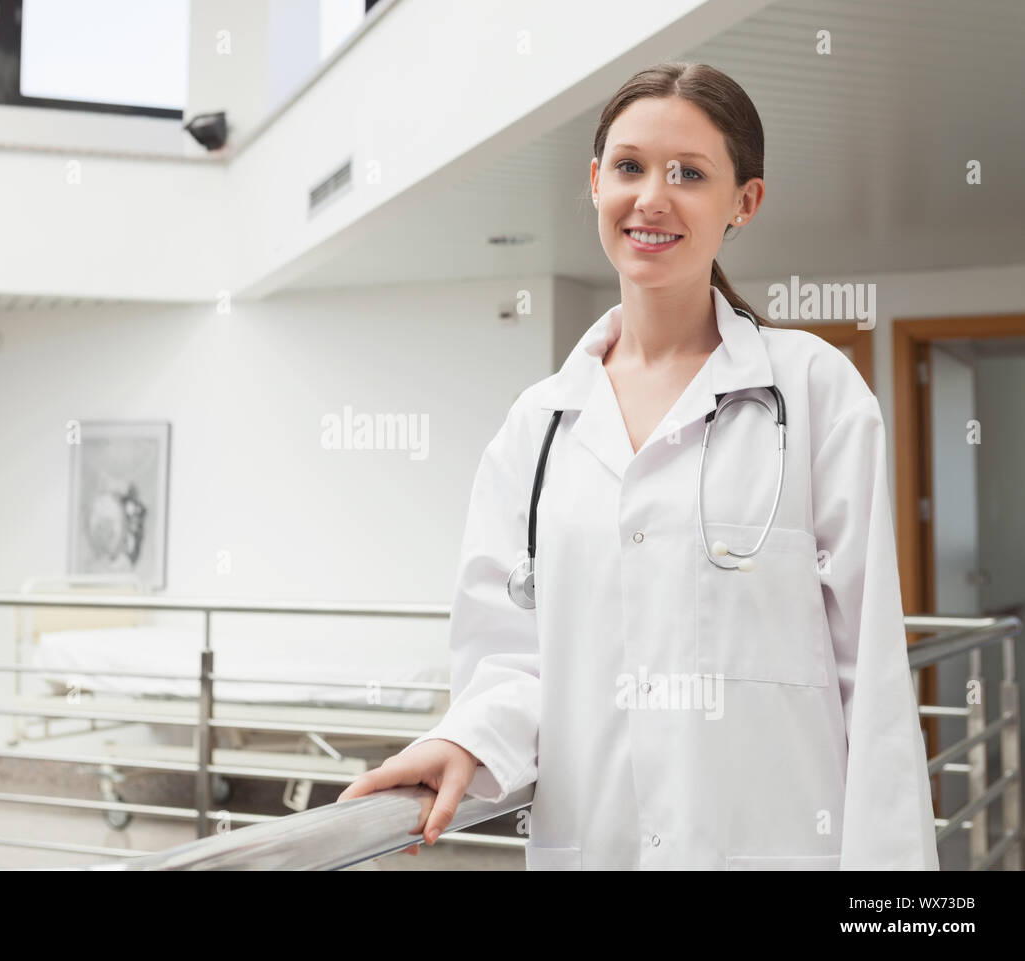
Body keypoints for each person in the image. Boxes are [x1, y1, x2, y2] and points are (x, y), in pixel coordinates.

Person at [338, 61, 938, 870]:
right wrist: (466, 736)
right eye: (629, 167)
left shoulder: (816, 392)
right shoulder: (538, 428)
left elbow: (870, 676)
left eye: (689, 173)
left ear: (744, 203)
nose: (651, 196)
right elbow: (511, 654)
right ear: (594, 181)